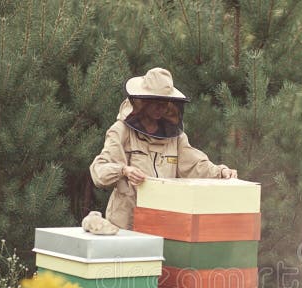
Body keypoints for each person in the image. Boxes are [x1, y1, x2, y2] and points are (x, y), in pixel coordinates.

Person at [90, 67, 238, 229]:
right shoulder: (121, 131)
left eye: (165, 103)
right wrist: (124, 170)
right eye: (156, 103)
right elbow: (99, 171)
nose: (162, 108)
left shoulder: (175, 136)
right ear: (142, 101)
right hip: (126, 223)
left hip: (163, 220)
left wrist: (221, 172)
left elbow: (195, 165)